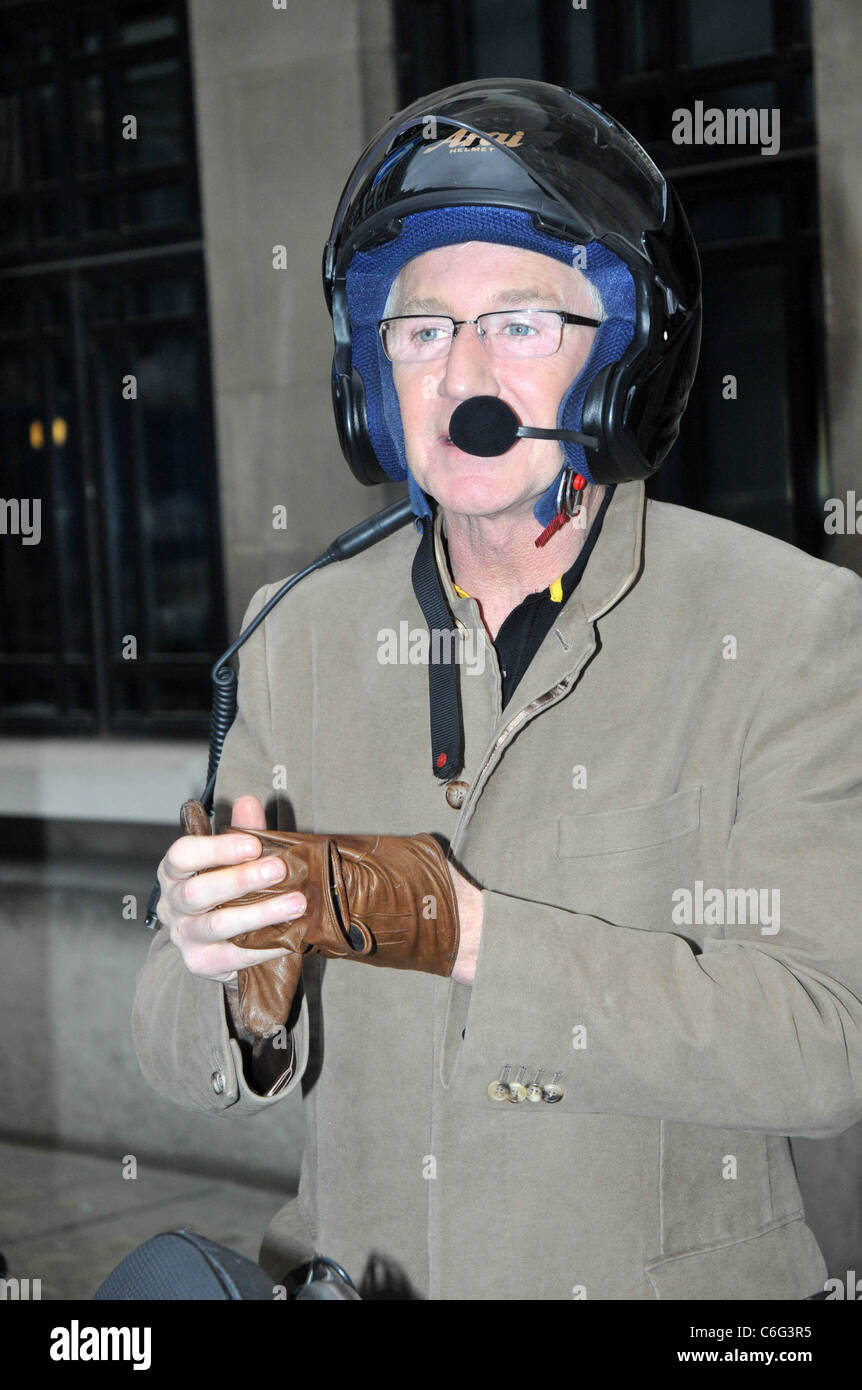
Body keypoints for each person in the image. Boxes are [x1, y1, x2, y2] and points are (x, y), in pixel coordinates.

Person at [132, 79, 862, 1300]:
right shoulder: (293, 635)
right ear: (372, 384)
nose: (460, 370)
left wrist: (473, 937)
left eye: (520, 324)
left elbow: (824, 1044)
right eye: (420, 331)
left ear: (625, 362)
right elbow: (167, 1032)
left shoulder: (790, 628)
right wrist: (238, 992)